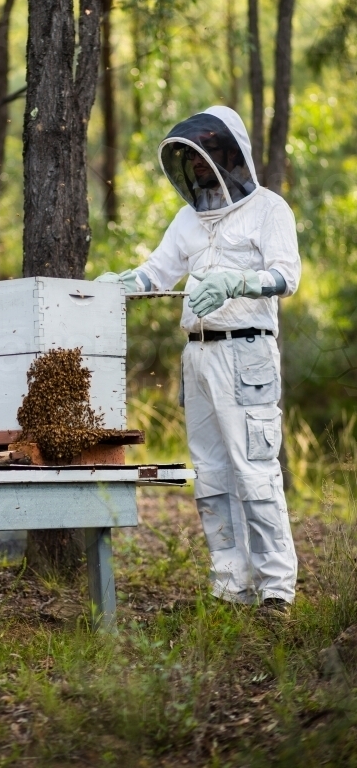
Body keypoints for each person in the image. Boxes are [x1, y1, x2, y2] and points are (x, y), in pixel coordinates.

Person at [98, 106, 301, 611]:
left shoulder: (269, 209)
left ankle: (276, 589)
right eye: (192, 162)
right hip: (198, 358)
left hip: (247, 352)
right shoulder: (189, 218)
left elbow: (287, 276)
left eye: (207, 159)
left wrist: (238, 280)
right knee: (210, 474)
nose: (200, 171)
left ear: (230, 156)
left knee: (254, 471)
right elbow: (157, 272)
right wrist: (121, 284)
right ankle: (230, 585)